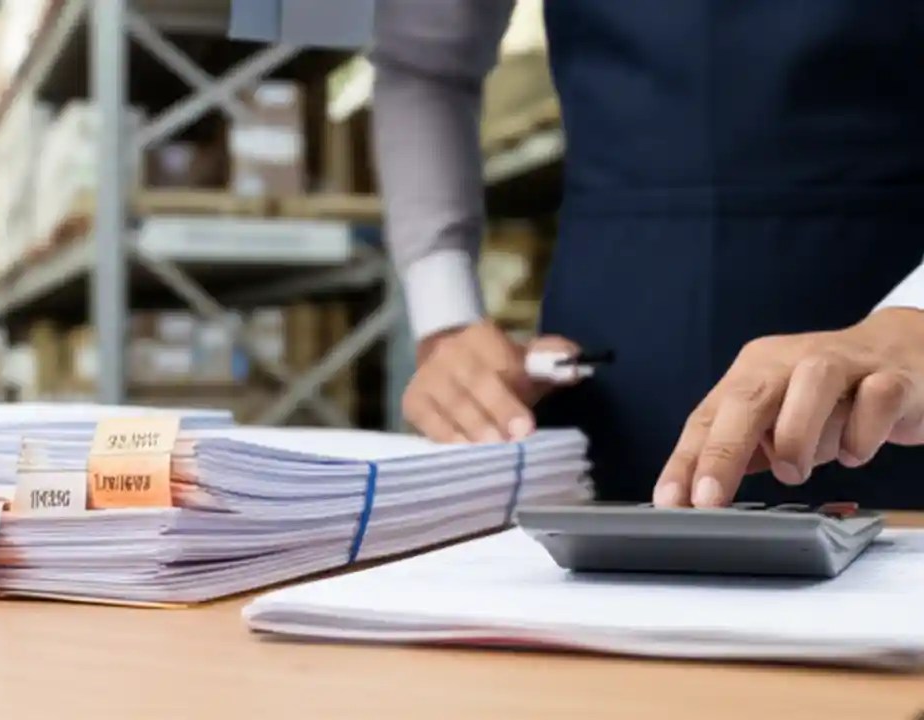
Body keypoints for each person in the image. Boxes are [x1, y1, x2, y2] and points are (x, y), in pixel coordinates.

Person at [373, 0, 924, 509]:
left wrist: (913, 320)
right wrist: (446, 318)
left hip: (890, 339)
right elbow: (424, 64)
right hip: (613, 345)